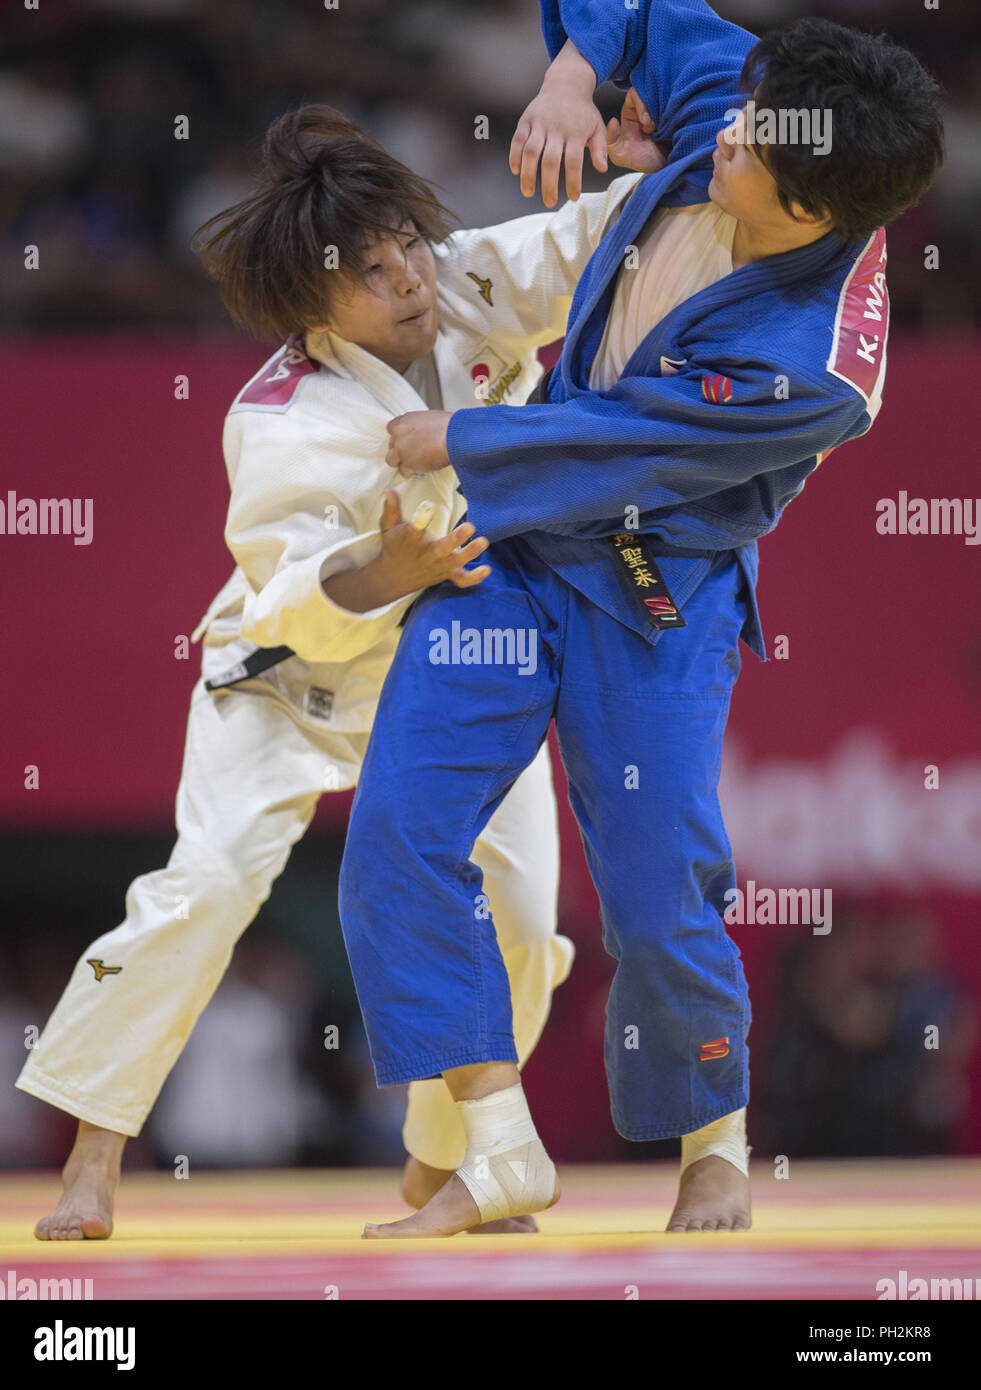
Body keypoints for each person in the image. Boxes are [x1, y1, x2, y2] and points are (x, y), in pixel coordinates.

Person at [336, 0, 945, 1237]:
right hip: (504, 556)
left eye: (748, 148)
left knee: (662, 888)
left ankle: (712, 1139)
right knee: (396, 830)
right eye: (741, 113)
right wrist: (571, 72)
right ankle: (498, 1151)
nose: (722, 136)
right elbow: (641, 8)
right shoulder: (768, 109)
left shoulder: (817, 360)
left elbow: (634, 442)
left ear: (818, 212)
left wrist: (463, 432)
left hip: (650, 590)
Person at [14, 102, 657, 1239]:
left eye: (408, 241)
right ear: (312, 309)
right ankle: (93, 1157)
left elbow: (588, 237)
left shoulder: (464, 283)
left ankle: (442, 1161)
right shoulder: (282, 419)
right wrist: (383, 564)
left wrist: (667, 168)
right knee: (204, 888)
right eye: (371, 271)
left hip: (455, 669)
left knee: (520, 919)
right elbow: (292, 594)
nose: (409, 277)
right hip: (287, 683)